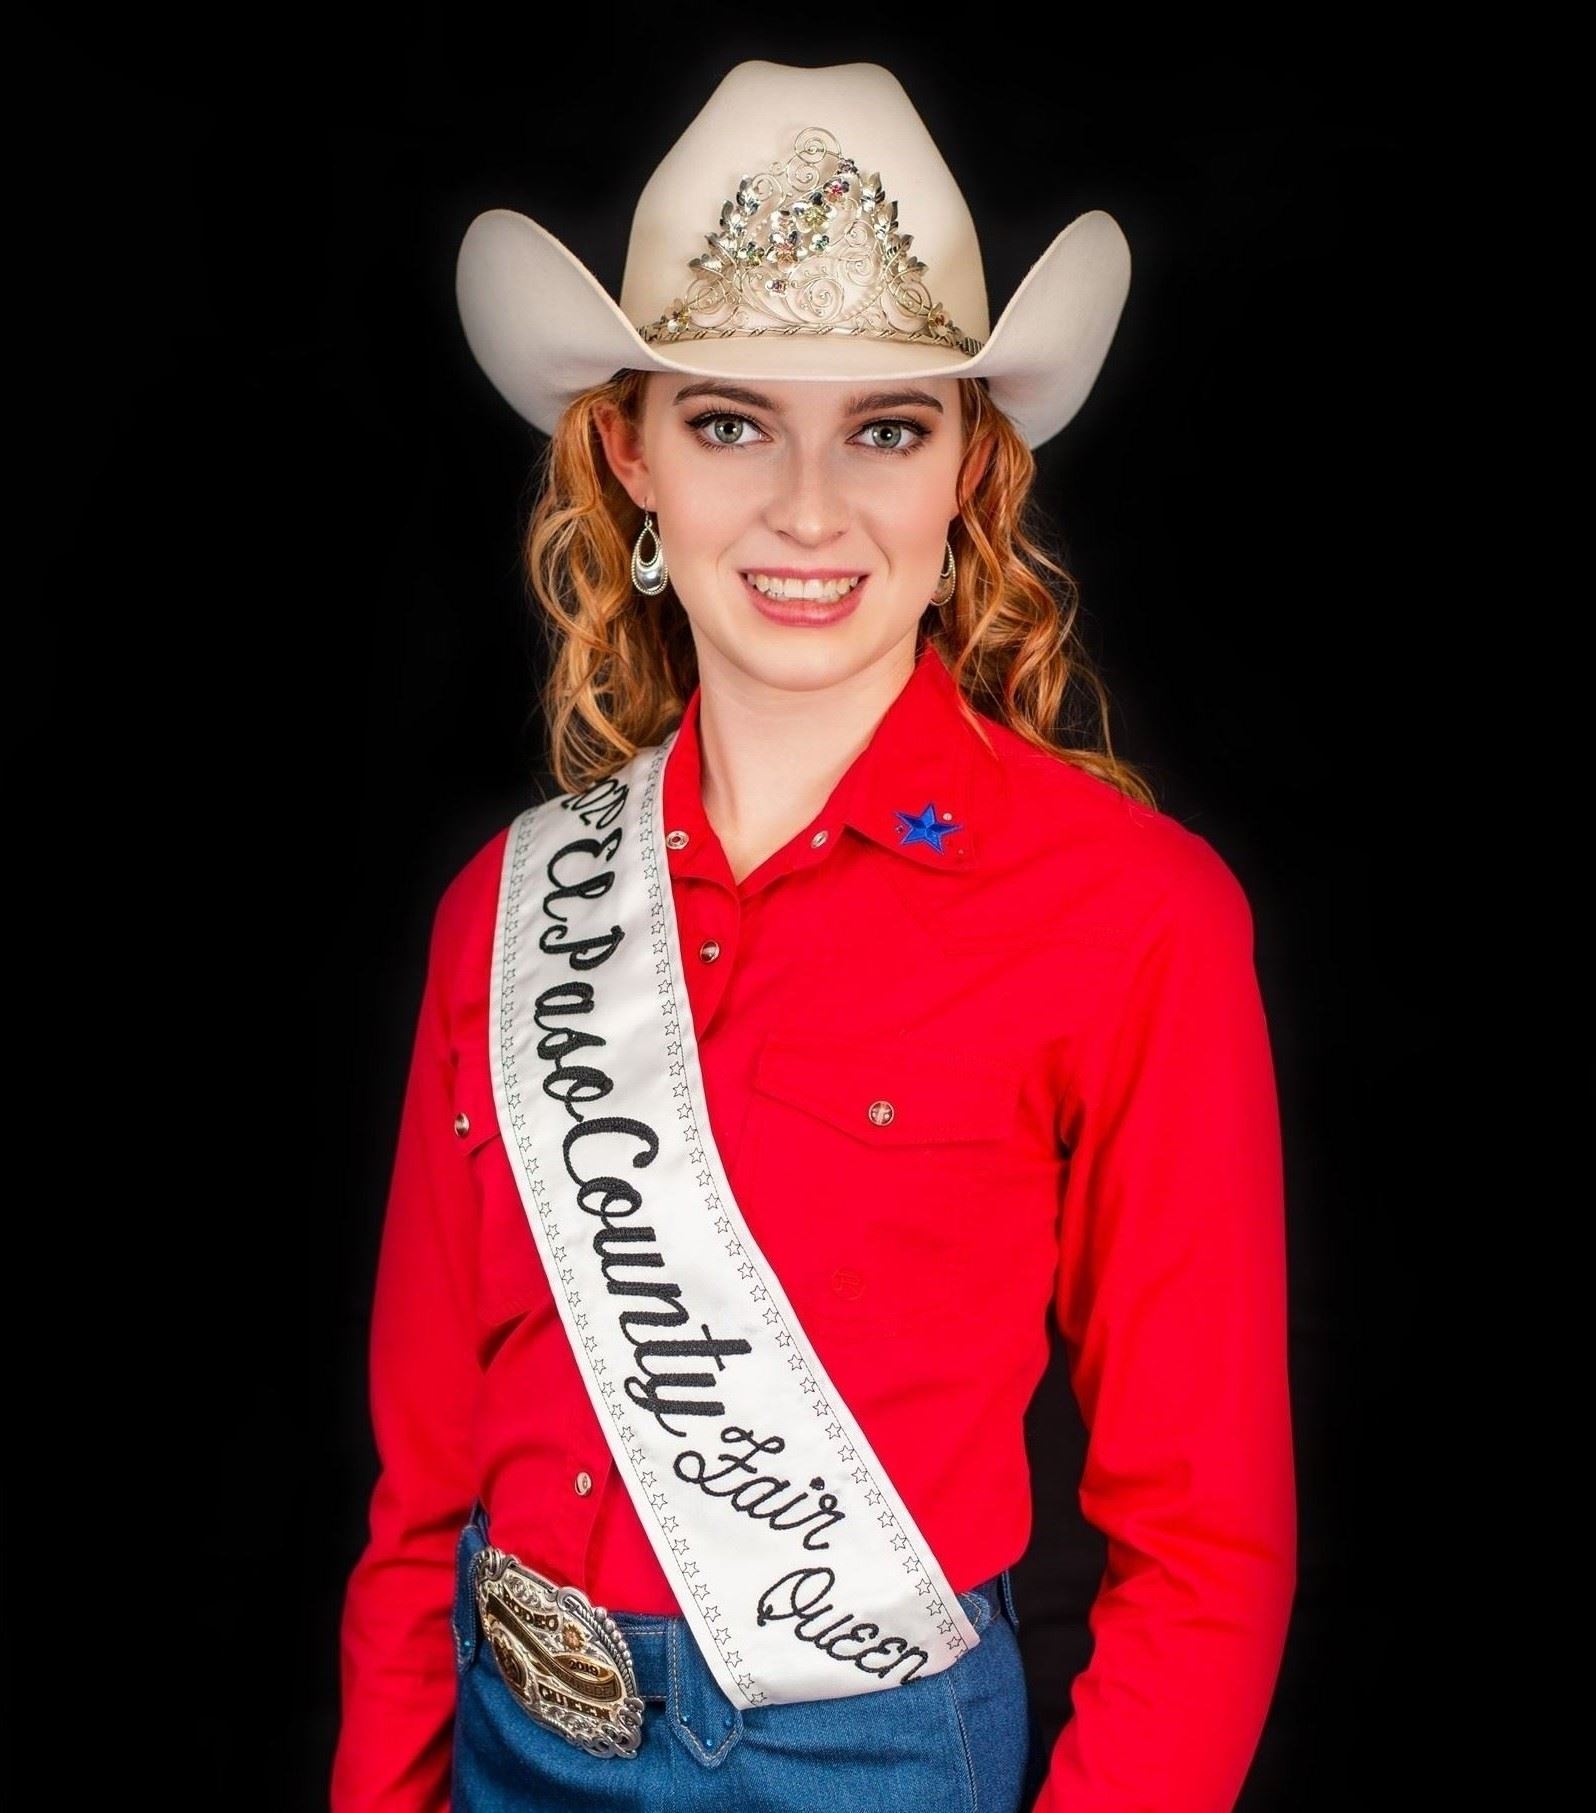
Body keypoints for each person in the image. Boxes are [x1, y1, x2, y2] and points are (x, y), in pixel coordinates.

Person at [331, 59, 1297, 1813]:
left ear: (968, 466)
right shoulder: (506, 905)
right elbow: (416, 1499)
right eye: (729, 421)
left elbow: (1206, 1550)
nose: (805, 508)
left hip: (866, 1765)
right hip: (503, 1738)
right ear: (628, 452)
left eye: (885, 426)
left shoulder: (1134, 914)